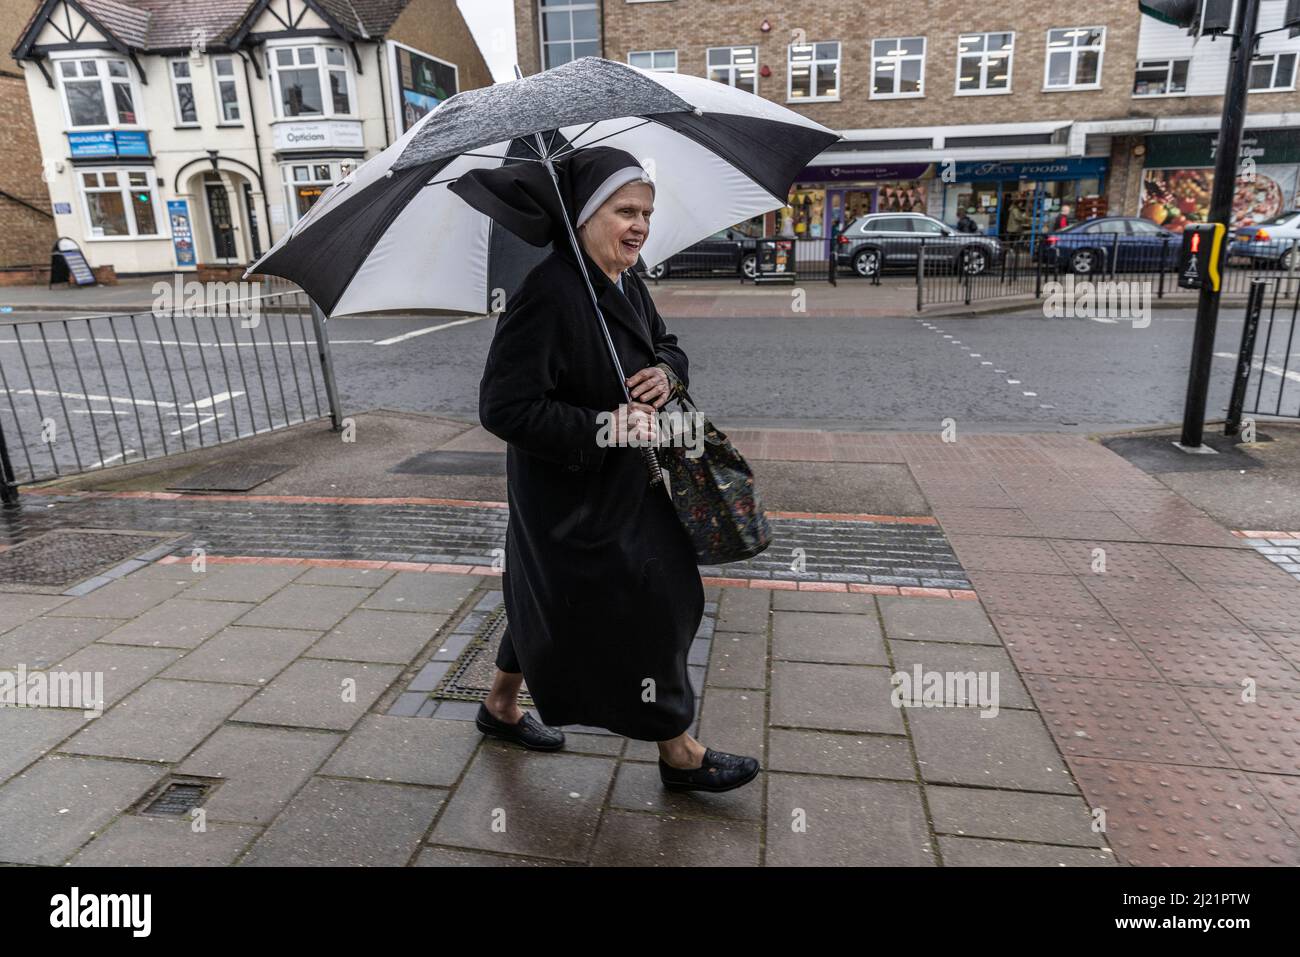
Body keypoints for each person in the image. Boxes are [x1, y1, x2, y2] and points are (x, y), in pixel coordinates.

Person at [453, 146, 760, 794]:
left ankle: (501, 706)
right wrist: (603, 425)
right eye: (625, 209)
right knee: (660, 595)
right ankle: (679, 751)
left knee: (542, 598)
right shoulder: (548, 292)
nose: (640, 223)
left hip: (625, 485)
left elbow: (664, 341)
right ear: (587, 215)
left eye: (646, 210)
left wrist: (667, 371)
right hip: (570, 499)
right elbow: (504, 406)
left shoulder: (625, 278)